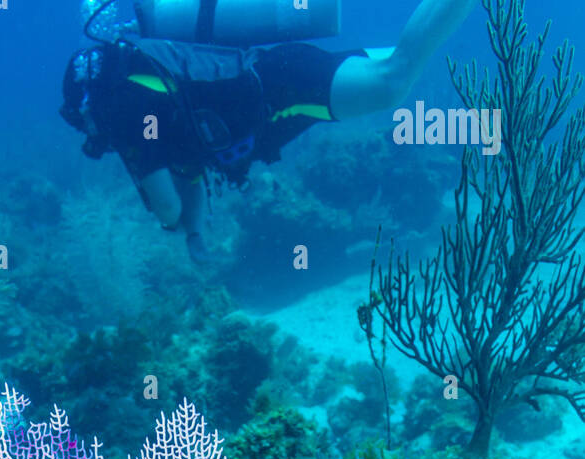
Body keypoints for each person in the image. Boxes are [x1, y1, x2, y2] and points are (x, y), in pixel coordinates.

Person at [60, 0, 479, 263]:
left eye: (83, 123)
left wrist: (152, 191)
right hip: (276, 80)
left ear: (88, 103)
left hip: (279, 91)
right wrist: (195, 237)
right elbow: (189, 169)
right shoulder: (142, 81)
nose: (92, 134)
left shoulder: (128, 119)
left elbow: (168, 207)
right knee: (384, 69)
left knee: (391, 79)